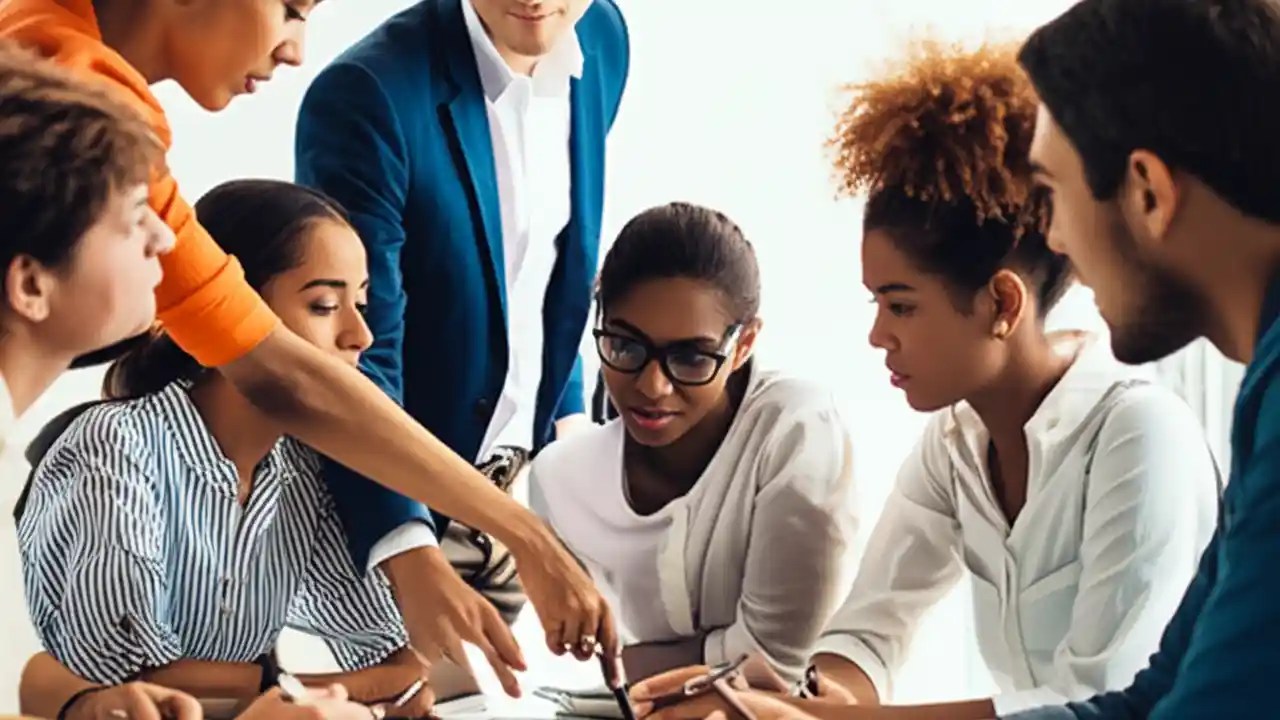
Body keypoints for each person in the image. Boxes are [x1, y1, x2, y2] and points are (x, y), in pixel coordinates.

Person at [0, 0, 614, 684]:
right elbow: (286, 373)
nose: (297, 50)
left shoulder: (286, 480)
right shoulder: (72, 86)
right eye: (291, 7)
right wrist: (521, 533)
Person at [627, 37, 1220, 720]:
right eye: (875, 303)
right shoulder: (958, 442)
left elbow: (1098, 701)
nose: (878, 334)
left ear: (1001, 304)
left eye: (901, 305)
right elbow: (871, 630)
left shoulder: (1140, 436)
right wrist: (781, 694)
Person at [0, 49, 370, 720]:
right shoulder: (109, 443)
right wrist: (264, 697)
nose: (169, 242)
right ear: (30, 284)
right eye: (133, 214)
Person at [293, 0, 628, 692]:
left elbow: (546, 286)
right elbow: (356, 352)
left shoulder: (601, 40)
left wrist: (570, 479)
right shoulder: (368, 96)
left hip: (519, 497)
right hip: (393, 515)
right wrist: (408, 550)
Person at [16, 179, 435, 720]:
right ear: (226, 312)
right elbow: (127, 671)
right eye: (326, 304)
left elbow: (388, 649)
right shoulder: (116, 445)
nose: (361, 335)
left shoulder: (301, 473)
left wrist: (381, 681)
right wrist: (304, 686)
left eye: (360, 303)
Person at [1005, 0, 1280, 717]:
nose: (1056, 240)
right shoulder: (1264, 397)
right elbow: (1147, 702)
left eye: (1051, 195)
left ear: (1149, 193)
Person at [528, 202, 859, 684]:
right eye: (625, 347)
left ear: (744, 345)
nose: (652, 386)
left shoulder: (796, 430)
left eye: (691, 357)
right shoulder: (559, 482)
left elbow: (777, 663)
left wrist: (619, 671)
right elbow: (563, 668)